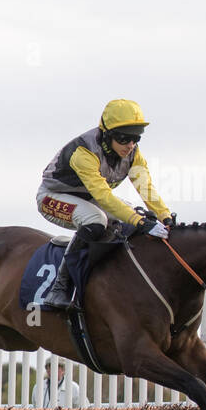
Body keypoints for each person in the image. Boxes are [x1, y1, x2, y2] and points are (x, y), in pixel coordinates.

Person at [36, 99, 175, 310]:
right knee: (96, 220)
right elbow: (103, 197)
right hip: (53, 196)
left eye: (136, 138)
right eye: (124, 138)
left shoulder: (134, 154)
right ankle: (59, 289)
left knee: (143, 217)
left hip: (87, 198)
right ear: (106, 134)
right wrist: (138, 222)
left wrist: (164, 216)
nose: (130, 145)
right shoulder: (84, 152)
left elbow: (146, 188)